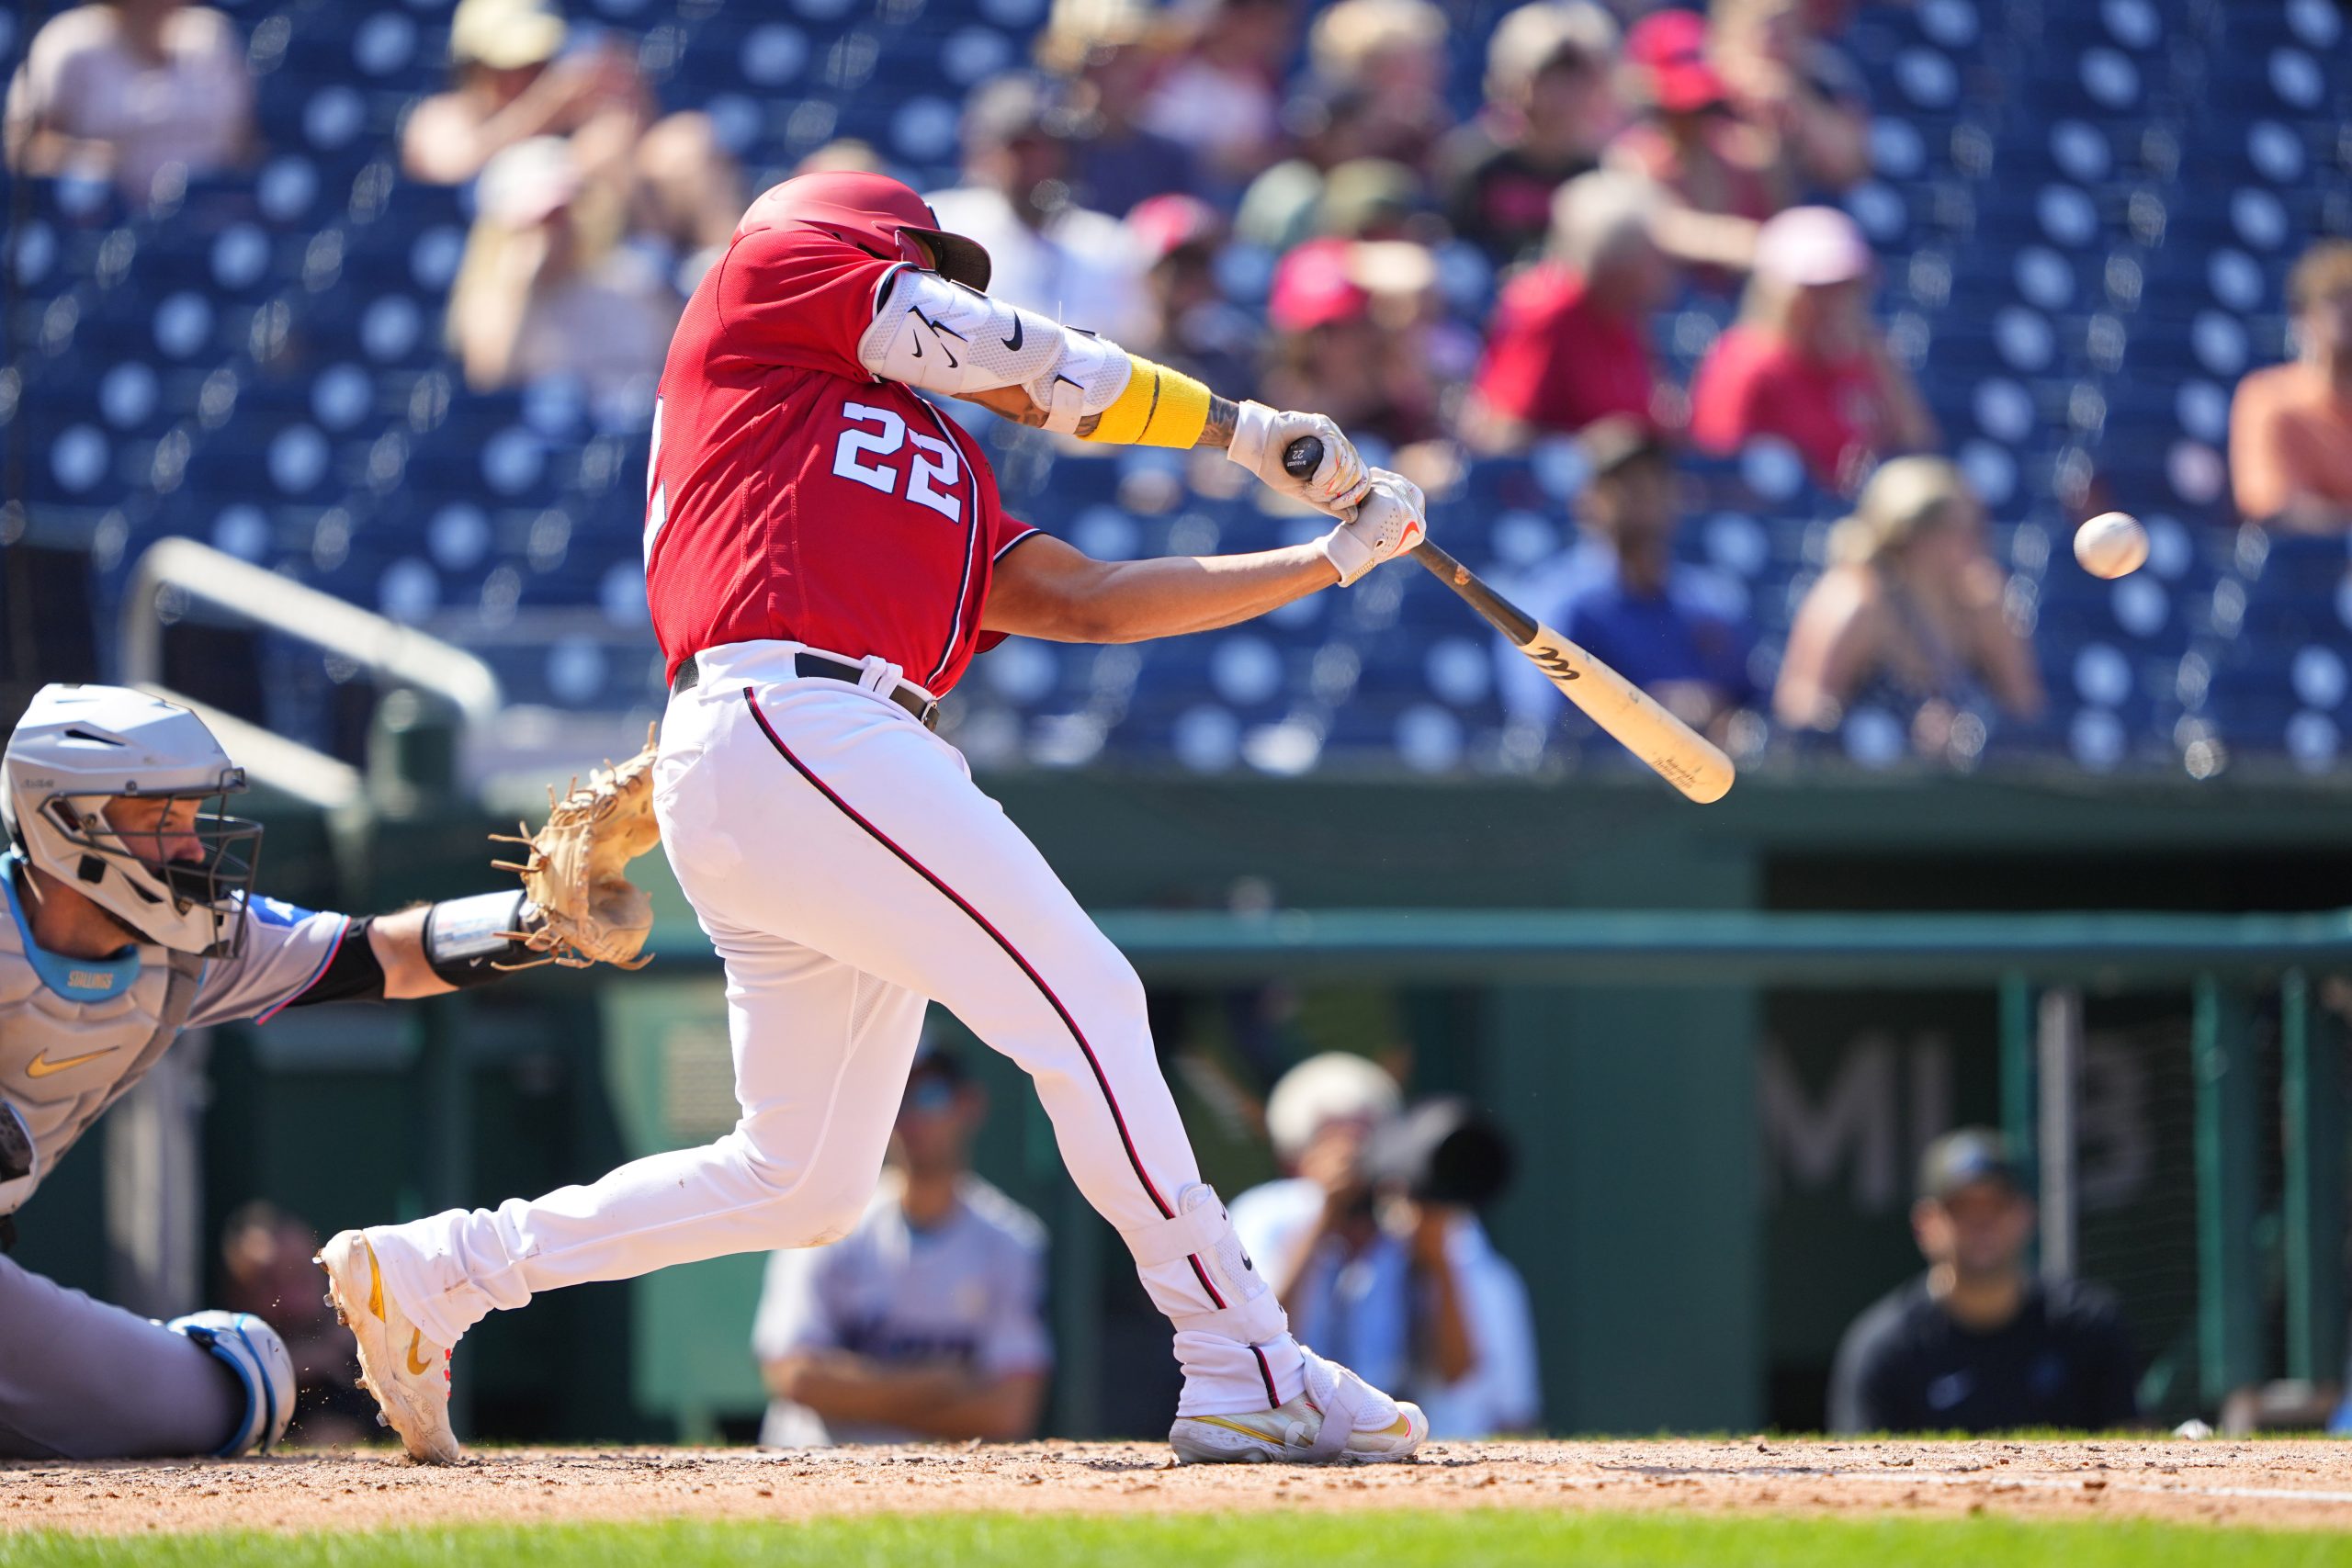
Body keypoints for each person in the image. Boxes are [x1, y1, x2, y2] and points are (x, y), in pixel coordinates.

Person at [320, 169, 1438, 1468]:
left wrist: (1325, 561)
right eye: (923, 263)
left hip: (818, 755)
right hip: (799, 726)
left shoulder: (947, 457)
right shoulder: (760, 284)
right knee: (1089, 1001)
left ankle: (442, 1268)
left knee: (800, 1177)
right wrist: (1239, 428)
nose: (950, 290)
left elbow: (1090, 600)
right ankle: (1240, 1353)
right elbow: (1017, 356)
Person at [0, 683, 609, 1459]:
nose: (192, 847)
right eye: (161, 819)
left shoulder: (189, 945)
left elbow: (380, 953)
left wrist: (538, 920)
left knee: (245, 1383)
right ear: (66, 822)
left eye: (192, 817)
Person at [752, 1049, 1049, 1447]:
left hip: (943, 1488)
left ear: (967, 1105)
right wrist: (937, 1384)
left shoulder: (1010, 1241)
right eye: (894, 1098)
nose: (910, 1118)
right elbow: (795, 1376)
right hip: (812, 1478)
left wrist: (852, 1395)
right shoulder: (825, 1223)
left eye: (929, 1095)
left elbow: (1009, 1410)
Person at [1229, 1058, 1538, 1440]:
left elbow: (1457, 1373)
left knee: (1498, 1284)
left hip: (1424, 1438)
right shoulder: (1268, 1215)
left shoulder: (1426, 1219)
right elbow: (1251, 1346)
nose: (1357, 1156)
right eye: (1336, 1143)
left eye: (1367, 1137)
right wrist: (1322, 1220)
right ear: (1295, 1158)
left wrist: (1435, 1261)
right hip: (1289, 1429)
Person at [1828, 1129, 2140, 1434]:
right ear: (1925, 1225)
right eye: (1961, 1208)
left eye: (1997, 1205)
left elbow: (2131, 1441)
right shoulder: (1883, 1348)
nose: (1981, 1223)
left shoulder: (2087, 1325)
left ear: (2026, 1215)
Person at [401, 0, 741, 266]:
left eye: (537, 60)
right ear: (474, 64)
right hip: (521, 269)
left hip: (612, 236)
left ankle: (733, 275)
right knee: (603, 149)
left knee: (687, 141)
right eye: (509, 65)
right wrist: (550, 104)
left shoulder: (577, 97)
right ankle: (652, 268)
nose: (527, 74)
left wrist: (628, 95)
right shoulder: (445, 114)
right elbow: (450, 166)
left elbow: (644, 151)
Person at [1501, 419, 1759, 737]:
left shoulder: (1711, 601)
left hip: (1701, 781)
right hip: (1602, 784)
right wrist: (1656, 715)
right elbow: (1547, 726)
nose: (1644, 495)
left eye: (1656, 480)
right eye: (1624, 483)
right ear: (1586, 499)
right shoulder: (1555, 604)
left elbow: (1754, 709)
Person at [1773, 456, 2043, 742]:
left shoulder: (1983, 602)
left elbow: (2026, 711)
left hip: (1964, 785)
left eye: (1976, 526)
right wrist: (1900, 735)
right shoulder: (1856, 601)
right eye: (1955, 528)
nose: (1974, 541)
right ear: (1910, 535)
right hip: (1866, 781)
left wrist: (1970, 734)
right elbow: (1802, 714)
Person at [1689, 205, 1937, 491]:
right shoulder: (1747, 361)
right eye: (1815, 291)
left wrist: (1883, 363)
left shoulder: (1864, 357)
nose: (1833, 304)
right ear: (1775, 293)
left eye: (1845, 288)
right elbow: (1718, 472)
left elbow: (1916, 450)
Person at [445, 136, 681, 403]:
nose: (558, 231)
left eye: (564, 215)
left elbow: (678, 370)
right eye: (543, 221)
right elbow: (489, 382)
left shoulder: (634, 282)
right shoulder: (488, 306)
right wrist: (524, 284)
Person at [926, 73, 1151, 346]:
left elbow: (1133, 343)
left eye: (1051, 147)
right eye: (1022, 147)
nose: (1038, 162)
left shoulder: (1108, 241)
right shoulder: (939, 225)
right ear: (985, 150)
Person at [1463, 170, 1674, 452]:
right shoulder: (1549, 311)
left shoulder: (1624, 315)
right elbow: (1500, 429)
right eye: (1652, 255)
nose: (1665, 267)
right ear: (1615, 265)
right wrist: (1586, 450)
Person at [4, 0, 254, 204]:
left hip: (199, 220)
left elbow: (243, 146)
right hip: (100, 225)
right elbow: (22, 147)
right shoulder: (68, 43)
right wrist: (84, 158)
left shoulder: (211, 36)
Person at [1437, 1, 1623, 268]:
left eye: (1575, 78)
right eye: (1547, 78)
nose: (1560, 95)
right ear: (1511, 79)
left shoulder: (1602, 172)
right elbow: (1456, 250)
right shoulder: (1474, 162)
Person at [1261, 236, 1449, 454]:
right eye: (1323, 330)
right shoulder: (1271, 414)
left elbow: (1420, 272)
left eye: (1354, 323)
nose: (1329, 343)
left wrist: (1353, 259)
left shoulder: (1399, 409)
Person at [1035, 0, 1204, 219]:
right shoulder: (1040, 144)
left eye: (1139, 61)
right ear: (1082, 66)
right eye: (1116, 60)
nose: (1135, 75)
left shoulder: (1170, 158)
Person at [2230, 239, 2352, 532]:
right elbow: (2274, 506)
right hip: (2310, 573)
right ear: (2304, 316)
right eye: (2337, 302)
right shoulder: (2269, 399)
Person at [1709, 0, 1871, 197]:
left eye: (1786, 24)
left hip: (1808, 212)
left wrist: (1797, 101)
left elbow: (1852, 167)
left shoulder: (1824, 74)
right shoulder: (1700, 81)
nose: (1775, 36)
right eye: (1764, 24)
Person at [1125, 195, 1261, 398]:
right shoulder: (1117, 356)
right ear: (1150, 272)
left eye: (1201, 264)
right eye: (1179, 265)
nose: (1193, 279)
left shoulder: (1232, 356)